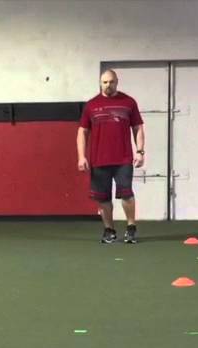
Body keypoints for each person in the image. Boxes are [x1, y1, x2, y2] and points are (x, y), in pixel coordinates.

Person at [77, 70, 145, 244]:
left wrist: (140, 151)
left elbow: (138, 128)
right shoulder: (91, 105)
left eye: (111, 82)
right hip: (99, 159)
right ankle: (109, 230)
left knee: (127, 194)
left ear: (117, 82)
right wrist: (81, 156)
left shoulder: (128, 102)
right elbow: (82, 132)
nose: (108, 85)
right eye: (105, 82)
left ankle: (131, 229)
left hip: (123, 159)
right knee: (102, 198)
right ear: (100, 83)